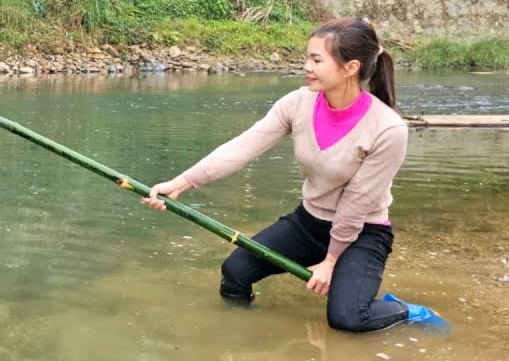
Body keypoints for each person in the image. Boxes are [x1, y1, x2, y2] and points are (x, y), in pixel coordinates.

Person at [143, 17, 447, 333]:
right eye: (307, 57)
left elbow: (358, 202)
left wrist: (330, 262)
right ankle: (238, 337)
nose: (307, 67)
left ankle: (405, 310)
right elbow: (244, 146)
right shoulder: (298, 102)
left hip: (362, 233)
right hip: (309, 222)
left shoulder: (388, 129)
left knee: (348, 319)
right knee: (235, 272)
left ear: (350, 67)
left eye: (317, 60)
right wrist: (182, 182)